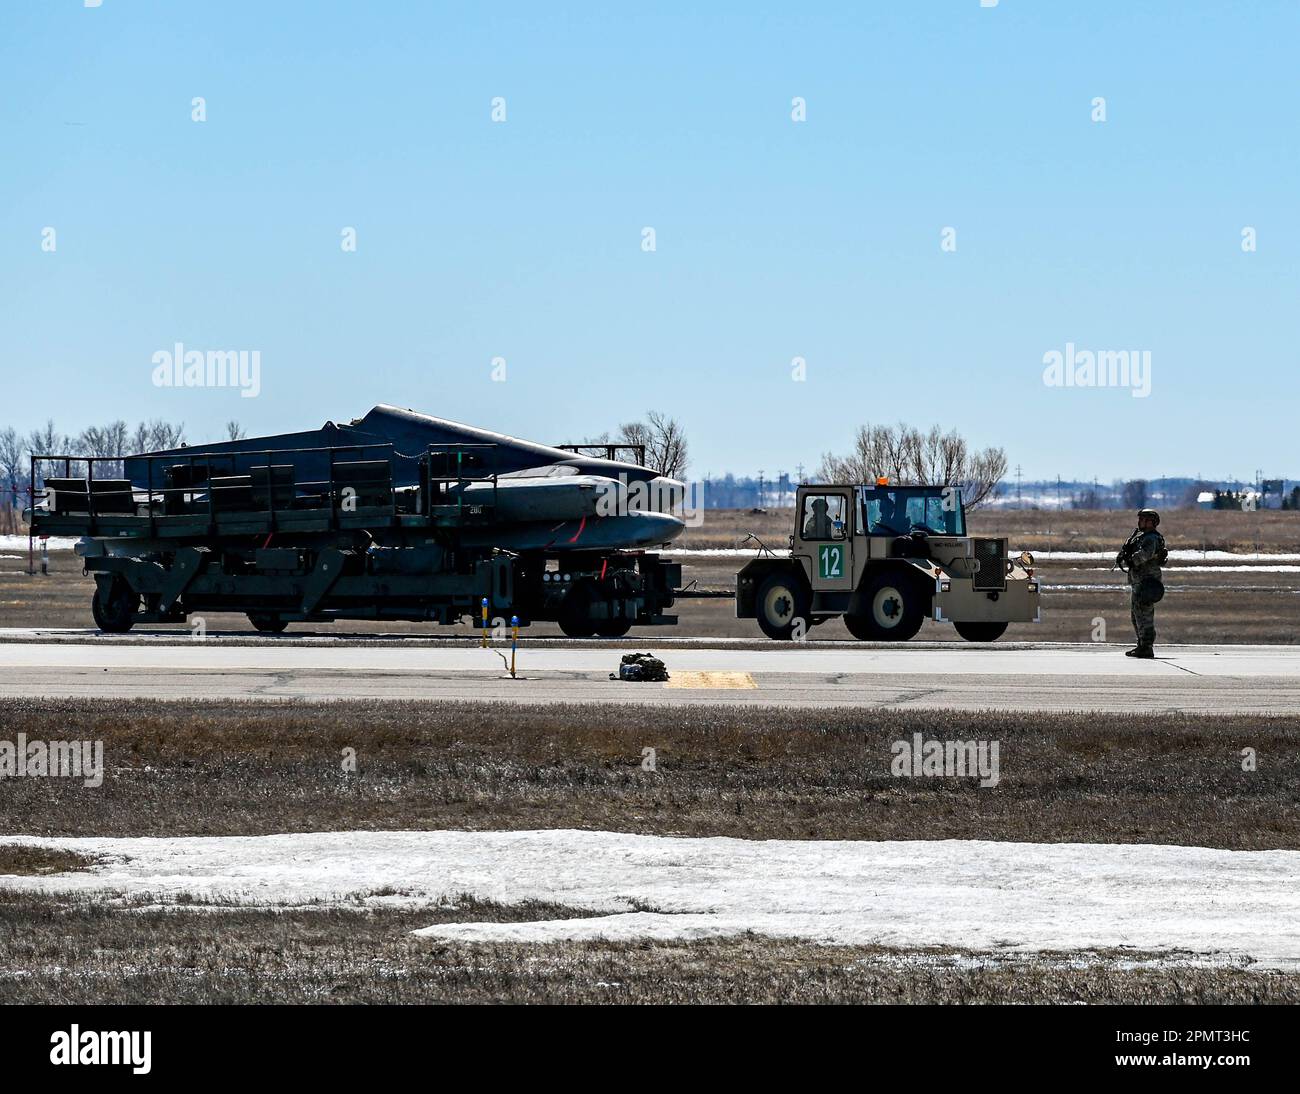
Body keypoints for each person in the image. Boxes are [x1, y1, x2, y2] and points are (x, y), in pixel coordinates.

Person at [1116, 508, 1167, 658]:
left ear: (1151, 522)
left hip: (1147, 582)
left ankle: (1146, 647)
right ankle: (1142, 645)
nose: (1140, 522)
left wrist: (1129, 559)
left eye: (1143, 520)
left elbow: (1143, 556)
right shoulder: (1142, 537)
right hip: (1139, 581)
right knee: (1137, 615)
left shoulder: (1151, 539)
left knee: (1144, 616)